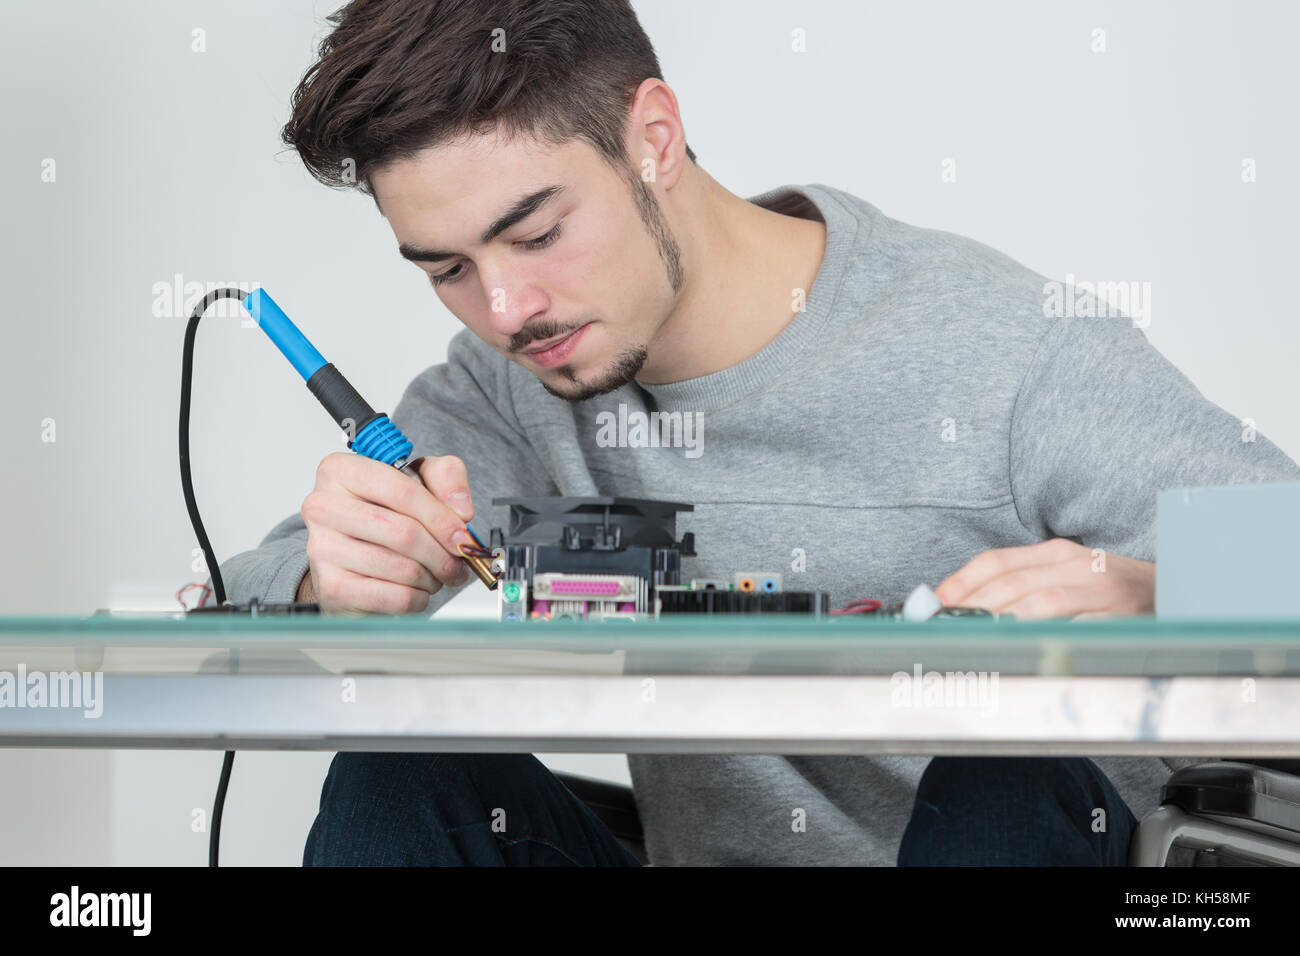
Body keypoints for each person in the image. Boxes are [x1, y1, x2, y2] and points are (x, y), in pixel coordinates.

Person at [218, 0, 1300, 866]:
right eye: (448, 269)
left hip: (1027, 841)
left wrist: (1159, 594)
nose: (506, 308)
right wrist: (333, 578)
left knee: (999, 769)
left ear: (654, 137)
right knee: (400, 776)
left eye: (537, 232)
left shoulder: (1004, 346)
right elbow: (240, 589)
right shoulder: (512, 388)